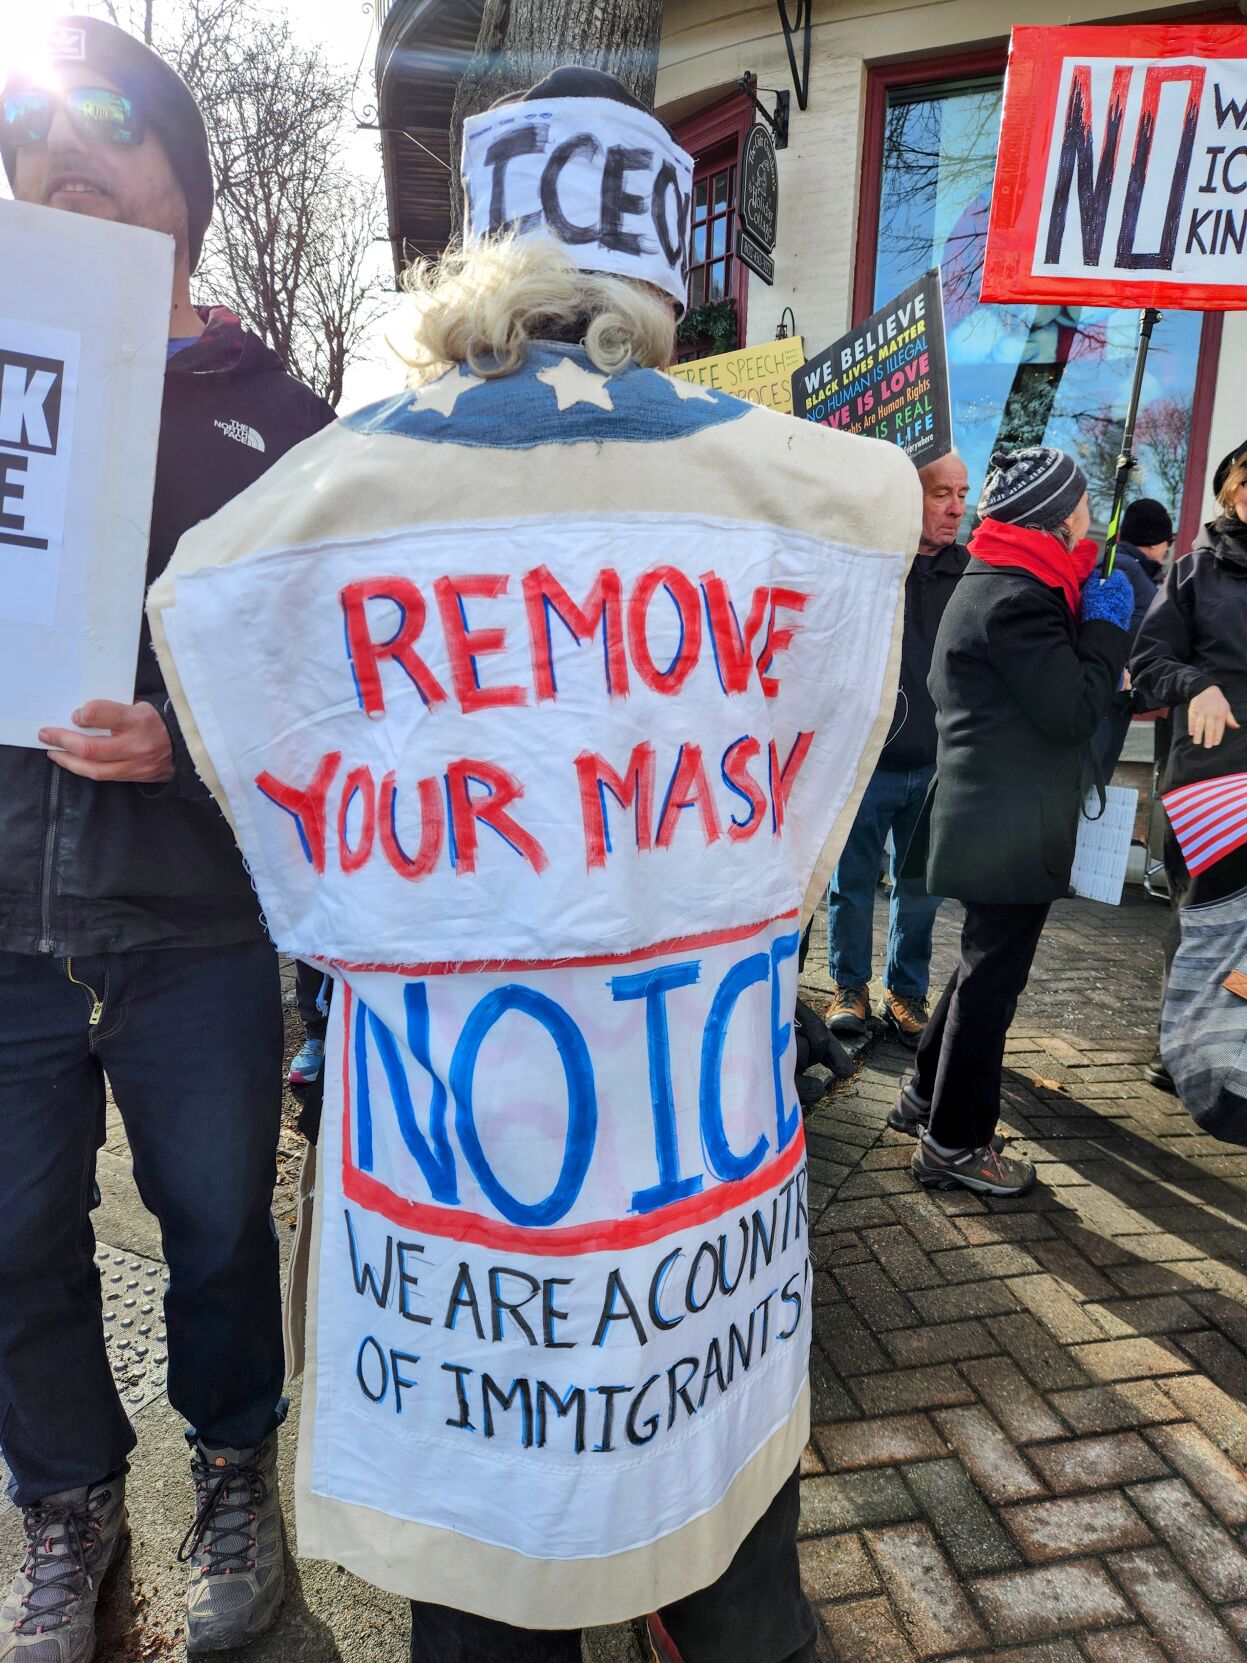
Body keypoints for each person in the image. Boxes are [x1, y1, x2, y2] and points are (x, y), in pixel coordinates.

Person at [146, 65, 920, 1663]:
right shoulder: (783, 492)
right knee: (733, 1562)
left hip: (450, 1190)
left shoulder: (326, 500)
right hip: (696, 1167)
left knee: (487, 1595)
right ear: (656, 283)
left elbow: (214, 614)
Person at [0, 17, 334, 1660]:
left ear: (184, 188)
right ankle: (65, 1505)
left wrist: (189, 746)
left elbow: (340, 704)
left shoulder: (289, 419)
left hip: (198, 917)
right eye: (40, 140)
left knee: (213, 1224)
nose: (73, 151)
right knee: (8, 1233)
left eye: (114, 130)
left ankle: (230, 1474)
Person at [899, 448, 1133, 1196]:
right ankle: (954, 1143)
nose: (1089, 511)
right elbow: (1068, 713)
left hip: (991, 813)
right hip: (1008, 822)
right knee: (990, 986)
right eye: (1082, 500)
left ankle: (923, 1096)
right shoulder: (1020, 594)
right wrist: (1102, 633)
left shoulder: (996, 575)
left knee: (978, 967)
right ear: (1059, 515)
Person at [825, 451, 969, 1047]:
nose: (957, 508)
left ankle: (906, 993)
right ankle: (848, 987)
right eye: (941, 494)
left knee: (921, 894)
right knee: (850, 883)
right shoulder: (870, 565)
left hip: (937, 767)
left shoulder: (972, 573)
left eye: (963, 494)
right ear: (909, 497)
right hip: (866, 763)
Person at [1131, 441, 1247, 1090]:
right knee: (1202, 915)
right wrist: (1195, 684)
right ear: (1227, 491)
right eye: (1245, 481)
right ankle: (1179, 1045)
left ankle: (1228, 1043)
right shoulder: (1193, 571)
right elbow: (1146, 665)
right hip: (1211, 778)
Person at [1091, 496, 1171, 779]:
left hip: (1113, 702)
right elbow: (1100, 635)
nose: (1167, 550)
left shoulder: (1134, 573)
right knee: (1086, 785)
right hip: (1104, 706)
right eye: (1167, 542)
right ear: (1152, 540)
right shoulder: (1122, 571)